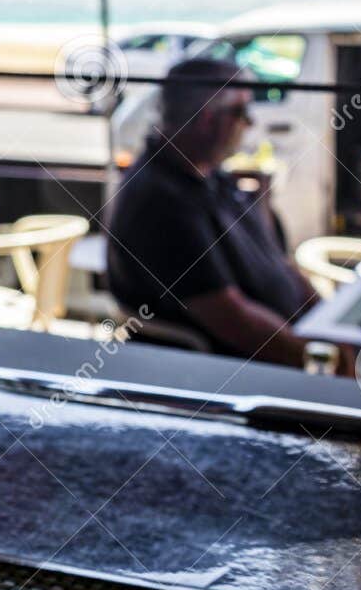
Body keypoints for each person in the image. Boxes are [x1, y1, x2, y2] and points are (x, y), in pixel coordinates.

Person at [105, 56, 317, 365]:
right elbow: (236, 322)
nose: (250, 123)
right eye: (241, 112)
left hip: (294, 334)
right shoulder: (161, 202)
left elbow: (278, 264)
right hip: (240, 368)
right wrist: (321, 359)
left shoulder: (207, 173)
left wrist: (323, 314)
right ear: (207, 119)